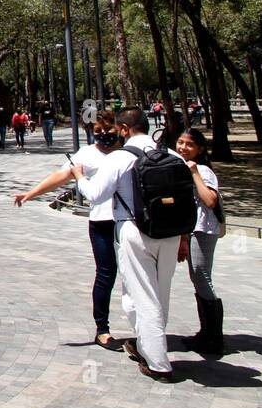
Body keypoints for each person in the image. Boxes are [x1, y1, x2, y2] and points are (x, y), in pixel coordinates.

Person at [74, 108, 187, 381]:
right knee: (160, 293)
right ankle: (146, 343)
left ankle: (158, 363)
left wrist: (79, 177)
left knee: (143, 296)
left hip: (135, 231)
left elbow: (96, 194)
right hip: (170, 232)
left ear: (124, 129)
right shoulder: (172, 155)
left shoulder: (120, 158)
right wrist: (184, 237)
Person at [14, 110, 124, 350]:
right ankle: (102, 329)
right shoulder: (86, 154)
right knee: (106, 274)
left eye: (109, 131)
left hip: (129, 222)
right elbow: (60, 177)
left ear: (120, 130)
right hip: (102, 223)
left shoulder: (127, 153)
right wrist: (30, 194)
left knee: (134, 275)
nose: (104, 135)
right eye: (98, 132)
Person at [176, 128, 225, 354]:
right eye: (180, 142)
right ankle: (207, 332)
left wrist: (195, 173)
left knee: (202, 276)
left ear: (200, 149)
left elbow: (210, 200)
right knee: (198, 276)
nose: (183, 148)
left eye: (189, 145)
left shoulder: (203, 170)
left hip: (204, 229)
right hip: (193, 229)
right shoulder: (182, 166)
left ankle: (213, 337)